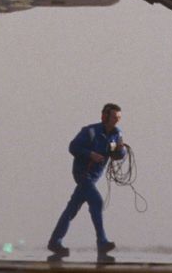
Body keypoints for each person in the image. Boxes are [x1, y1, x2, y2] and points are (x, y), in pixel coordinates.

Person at [47, 103, 126, 258]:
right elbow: (73, 147)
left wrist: (121, 149)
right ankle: (102, 242)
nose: (117, 120)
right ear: (105, 117)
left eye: (119, 118)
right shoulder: (90, 131)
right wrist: (90, 154)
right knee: (97, 201)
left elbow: (118, 155)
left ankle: (55, 242)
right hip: (82, 174)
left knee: (72, 208)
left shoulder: (117, 134)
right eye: (114, 117)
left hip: (94, 177)